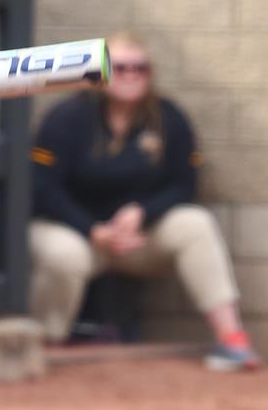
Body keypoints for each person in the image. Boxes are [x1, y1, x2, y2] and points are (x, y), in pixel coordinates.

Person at [30, 32, 261, 371]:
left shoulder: (167, 117)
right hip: (79, 233)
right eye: (119, 67)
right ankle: (46, 348)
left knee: (195, 224)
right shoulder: (67, 117)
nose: (130, 75)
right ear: (100, 71)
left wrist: (142, 212)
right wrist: (92, 229)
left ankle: (232, 340)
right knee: (63, 254)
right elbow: (43, 189)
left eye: (140, 68)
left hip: (138, 239)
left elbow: (186, 184)